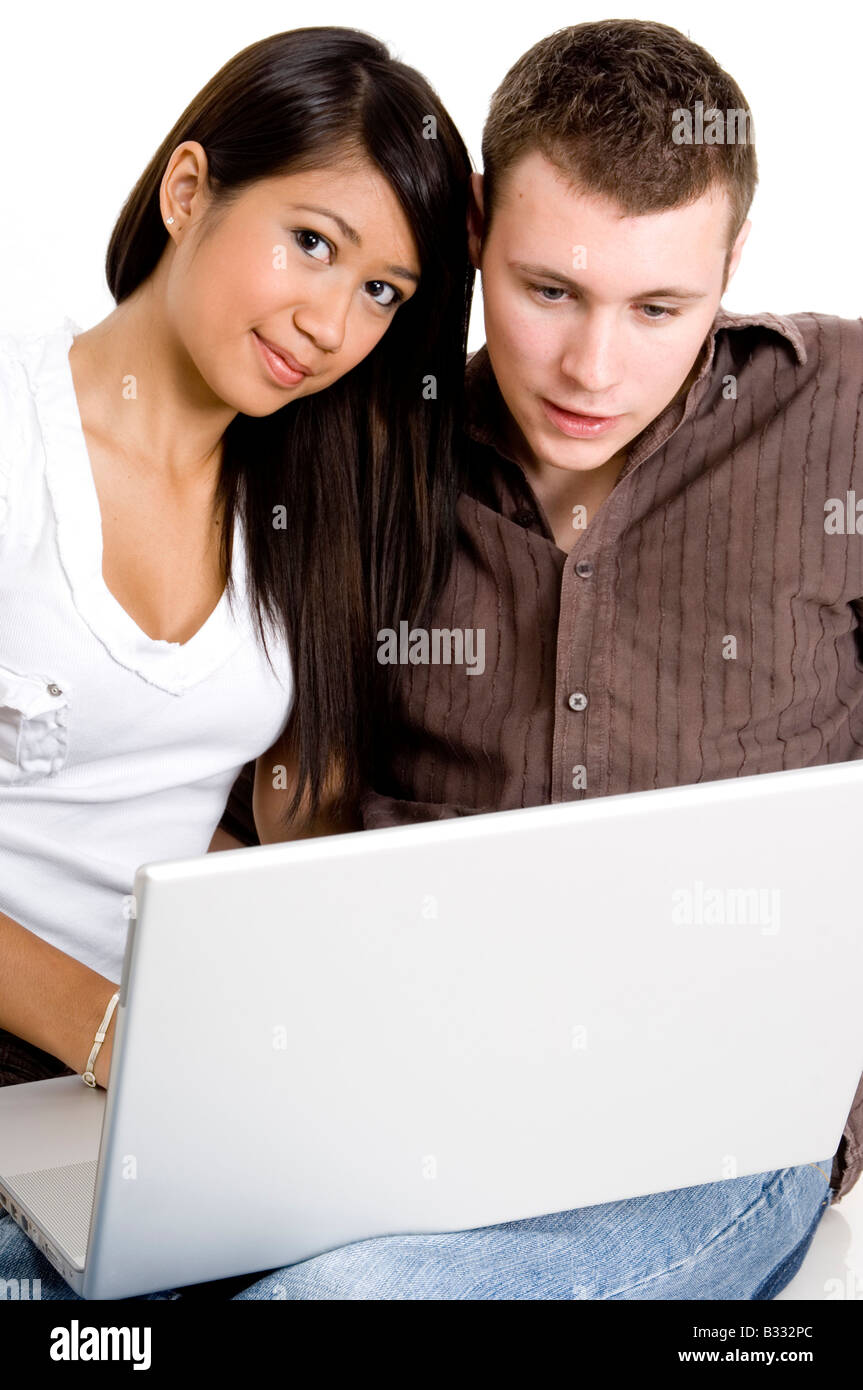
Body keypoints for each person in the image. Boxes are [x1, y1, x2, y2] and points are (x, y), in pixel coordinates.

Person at [215, 21, 859, 1298]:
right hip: (395, 1077)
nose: (590, 368)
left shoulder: (838, 412)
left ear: (730, 266)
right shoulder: (360, 448)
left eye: (658, 306)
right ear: (470, 229)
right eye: (547, 290)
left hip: (713, 1116)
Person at [0, 26, 473, 1293]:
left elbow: (242, 832)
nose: (329, 322)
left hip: (145, 1092)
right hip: (67, 1057)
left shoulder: (310, 498)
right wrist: (112, 1034)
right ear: (188, 189)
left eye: (382, 290)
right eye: (312, 242)